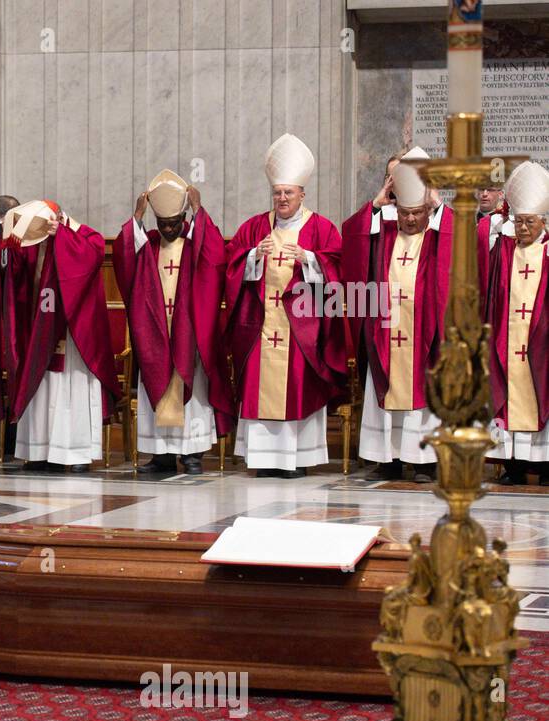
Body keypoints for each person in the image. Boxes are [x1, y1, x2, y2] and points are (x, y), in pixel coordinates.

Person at [225, 133, 344, 478]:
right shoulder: (254, 228)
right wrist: (251, 257)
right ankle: (263, 459)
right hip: (261, 327)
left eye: (288, 193)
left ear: (302, 194)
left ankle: (295, 460)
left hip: (301, 332)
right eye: (277, 193)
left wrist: (309, 259)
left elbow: (336, 271)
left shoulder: (321, 229)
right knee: (258, 385)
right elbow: (232, 269)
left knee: (297, 386)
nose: (282, 198)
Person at [0, 199, 120, 472]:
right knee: (42, 394)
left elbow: (92, 257)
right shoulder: (35, 240)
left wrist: (62, 237)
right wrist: (13, 248)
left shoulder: (85, 235)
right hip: (40, 333)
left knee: (70, 393)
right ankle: (39, 451)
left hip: (72, 334)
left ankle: (76, 454)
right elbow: (16, 278)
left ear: (59, 217)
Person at [341, 148, 451, 483]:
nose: (411, 220)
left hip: (422, 334)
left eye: (418, 213)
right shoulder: (383, 234)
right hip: (385, 332)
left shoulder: (435, 237)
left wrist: (439, 205)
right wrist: (374, 205)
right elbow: (352, 237)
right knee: (385, 386)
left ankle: (422, 462)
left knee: (423, 391)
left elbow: (457, 243)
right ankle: (387, 459)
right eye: (405, 213)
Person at [113, 170, 233, 476]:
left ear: (183, 218)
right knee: (157, 384)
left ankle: (191, 454)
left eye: (173, 223)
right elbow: (124, 259)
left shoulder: (196, 244)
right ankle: (161, 455)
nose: (167, 229)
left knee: (191, 392)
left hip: (187, 332)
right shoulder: (148, 245)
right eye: (162, 224)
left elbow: (217, 255)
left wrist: (199, 211)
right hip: (154, 333)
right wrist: (137, 217)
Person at [485, 160, 549, 485]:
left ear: (543, 222)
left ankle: (546, 466)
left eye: (530, 222)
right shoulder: (505, 252)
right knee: (510, 396)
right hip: (509, 341)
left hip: (542, 343)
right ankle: (515, 465)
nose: (523, 228)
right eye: (519, 222)